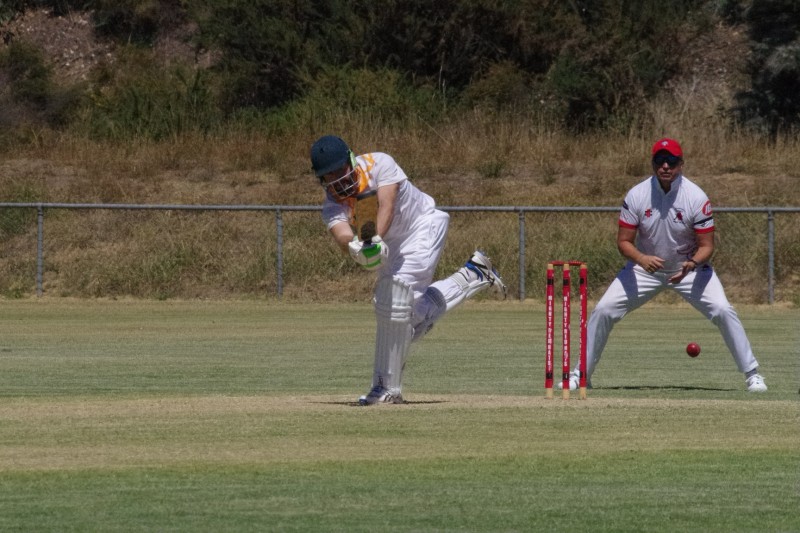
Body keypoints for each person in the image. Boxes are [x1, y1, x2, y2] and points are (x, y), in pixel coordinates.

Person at [310, 135, 507, 405]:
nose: (338, 182)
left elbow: (387, 206)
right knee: (404, 320)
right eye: (329, 178)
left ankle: (385, 388)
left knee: (392, 303)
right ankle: (473, 273)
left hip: (422, 228)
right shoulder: (333, 203)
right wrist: (354, 247)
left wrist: (372, 239)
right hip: (393, 247)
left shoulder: (380, 164)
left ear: (351, 160)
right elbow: (341, 234)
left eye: (340, 172)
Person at [560, 138, 767, 392]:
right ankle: (581, 375)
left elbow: (707, 246)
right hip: (645, 268)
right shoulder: (637, 195)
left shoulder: (696, 197)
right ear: (653, 163)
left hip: (689, 269)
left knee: (723, 310)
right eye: (660, 160)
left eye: (671, 161)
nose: (665, 165)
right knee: (603, 310)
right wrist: (642, 259)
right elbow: (624, 242)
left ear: (681, 164)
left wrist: (691, 264)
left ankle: (752, 374)